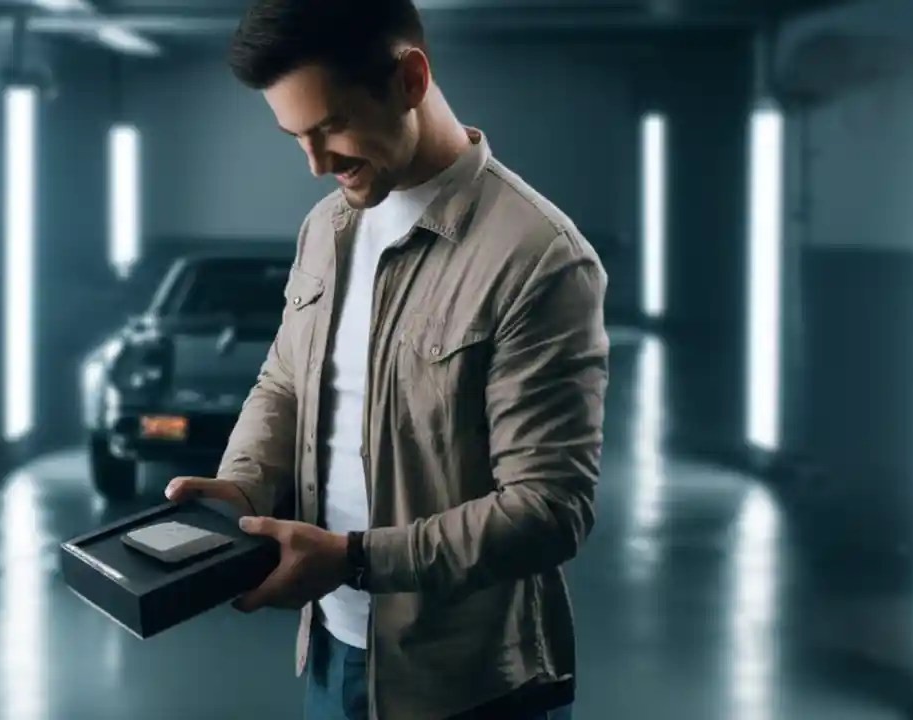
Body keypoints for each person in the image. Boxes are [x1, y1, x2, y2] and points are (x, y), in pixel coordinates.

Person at [165, 1, 609, 717]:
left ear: (410, 80)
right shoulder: (326, 228)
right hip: (332, 653)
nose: (316, 164)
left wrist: (354, 559)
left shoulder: (539, 258)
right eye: (296, 138)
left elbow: (548, 509)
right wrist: (242, 487)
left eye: (331, 126)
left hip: (473, 685)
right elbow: (286, 380)